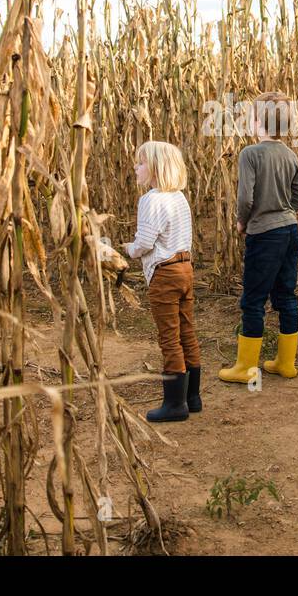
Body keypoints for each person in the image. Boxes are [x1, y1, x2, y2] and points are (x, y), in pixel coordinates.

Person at [219, 91, 298, 383]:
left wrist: (243, 221)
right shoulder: (291, 154)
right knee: (286, 296)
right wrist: (282, 210)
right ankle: (286, 363)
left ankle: (245, 368)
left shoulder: (250, 154)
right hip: (290, 231)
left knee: (253, 300)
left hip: (265, 235)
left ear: (257, 121)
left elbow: (245, 198)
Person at [123, 141, 200, 421]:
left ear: (155, 168)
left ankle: (175, 405)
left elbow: (144, 242)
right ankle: (193, 397)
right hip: (185, 269)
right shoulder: (179, 197)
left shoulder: (151, 200)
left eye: (141, 163)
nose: (136, 167)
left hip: (165, 274)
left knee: (169, 336)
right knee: (186, 331)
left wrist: (129, 250)